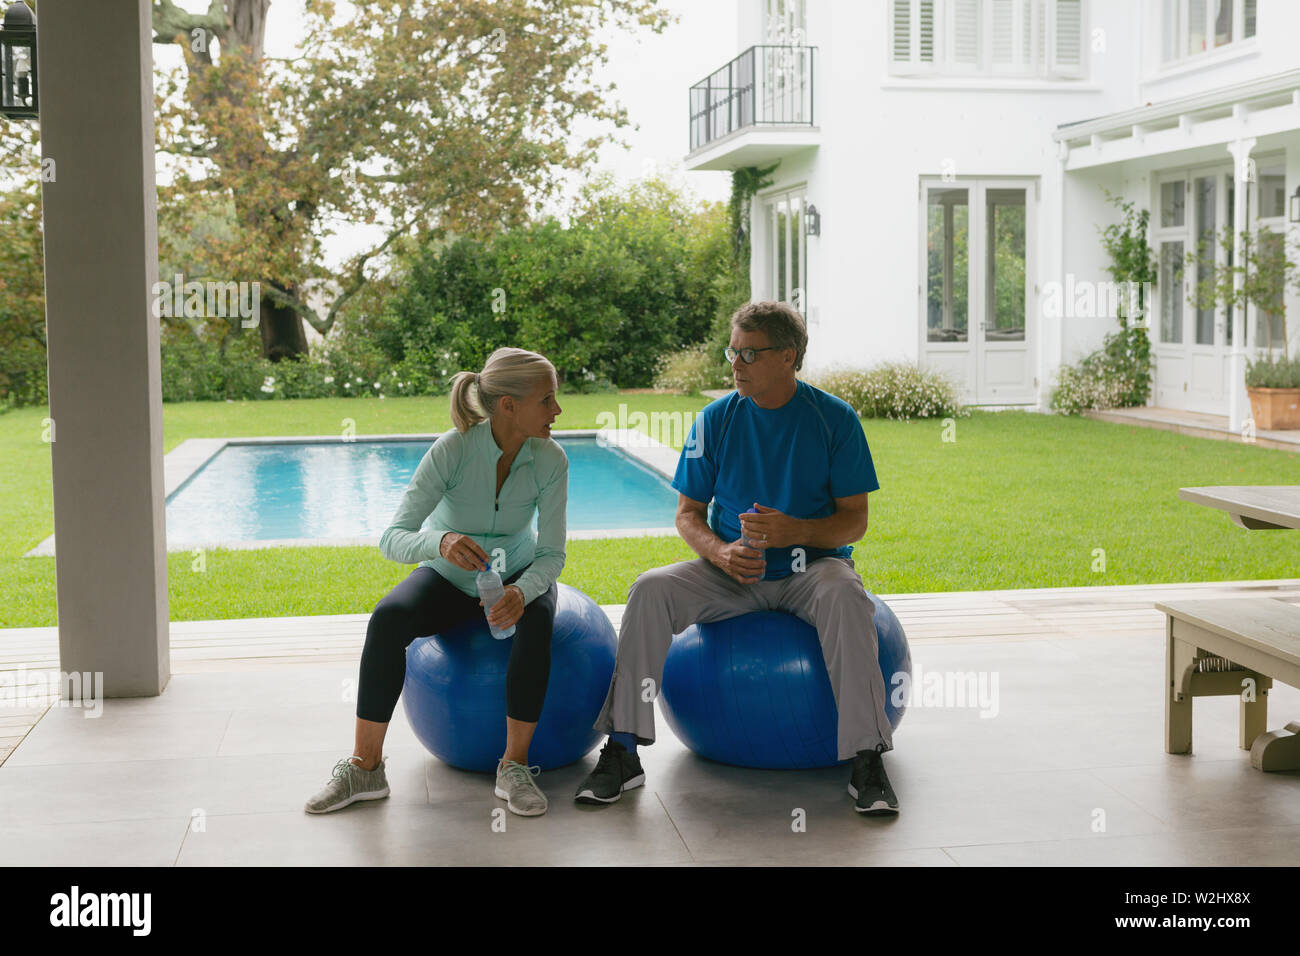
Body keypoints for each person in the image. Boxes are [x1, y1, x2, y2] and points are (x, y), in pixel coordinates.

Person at [576, 301, 899, 815]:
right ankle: (623, 750)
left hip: (810, 570)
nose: (735, 364)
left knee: (845, 593)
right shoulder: (716, 419)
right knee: (650, 587)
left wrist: (797, 531)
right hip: (730, 571)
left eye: (750, 353)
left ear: (788, 357)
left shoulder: (834, 419)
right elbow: (687, 514)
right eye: (733, 351)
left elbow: (854, 519)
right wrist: (720, 553)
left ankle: (866, 758)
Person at [306, 347, 567, 817]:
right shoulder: (453, 449)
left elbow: (552, 554)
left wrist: (522, 592)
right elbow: (393, 538)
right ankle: (366, 767)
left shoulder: (551, 459)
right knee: (387, 619)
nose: (557, 410)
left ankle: (515, 766)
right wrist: (440, 542)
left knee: (540, 619)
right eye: (547, 399)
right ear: (508, 405)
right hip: (449, 578)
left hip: (518, 575)